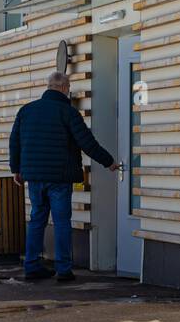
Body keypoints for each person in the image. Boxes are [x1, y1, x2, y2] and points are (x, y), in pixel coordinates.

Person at [9, 70, 118, 282]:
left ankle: (31, 266)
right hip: (60, 178)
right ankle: (63, 269)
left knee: (37, 220)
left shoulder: (27, 110)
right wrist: (109, 162)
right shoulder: (68, 112)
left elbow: (15, 142)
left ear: (49, 87)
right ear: (64, 88)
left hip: (34, 177)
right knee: (61, 222)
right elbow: (87, 143)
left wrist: (16, 169)